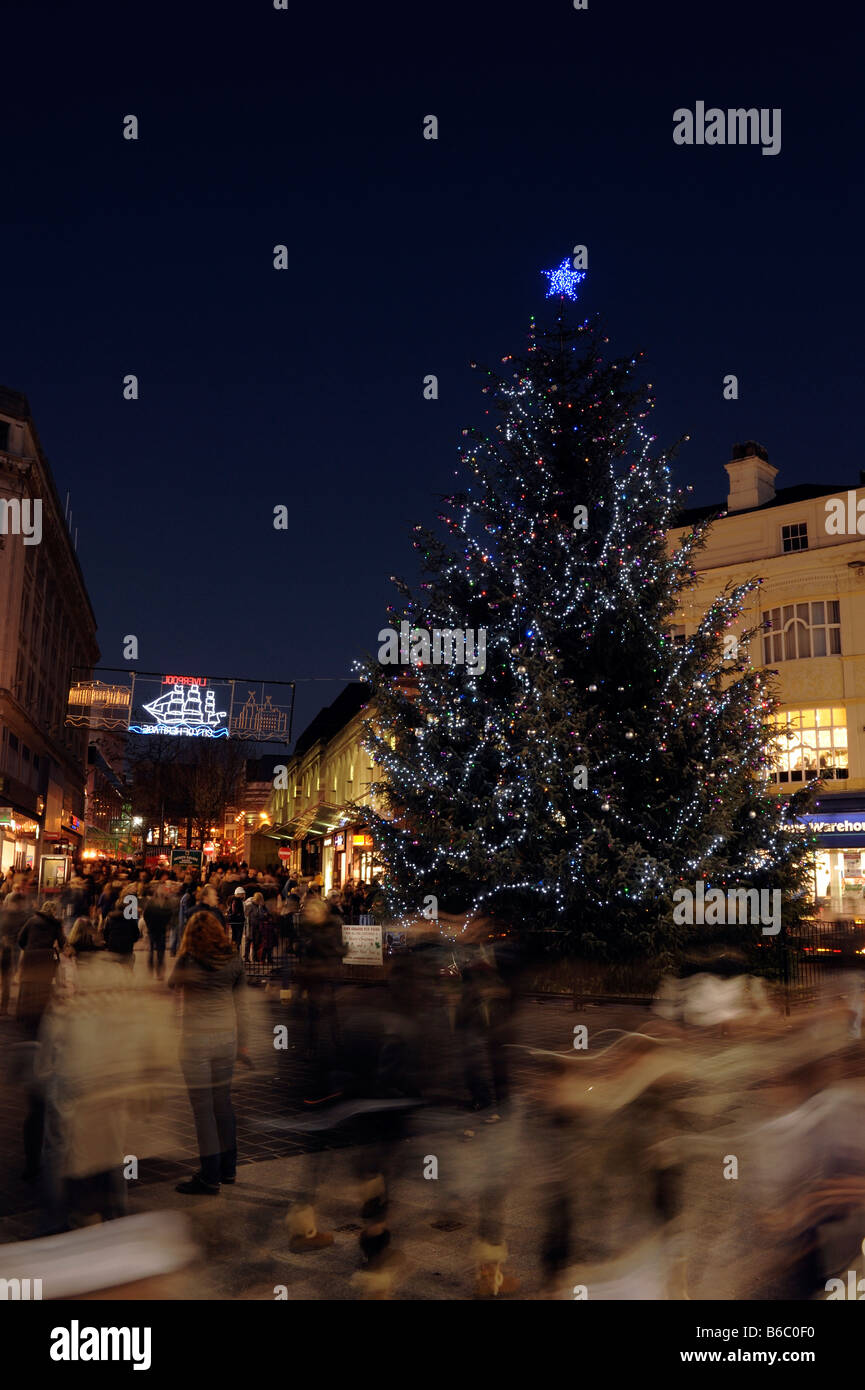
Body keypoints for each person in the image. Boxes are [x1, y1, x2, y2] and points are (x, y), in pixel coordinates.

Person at [169, 911, 250, 1194]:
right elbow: (242, 1004)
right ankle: (229, 1169)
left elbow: (171, 984)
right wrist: (244, 1042)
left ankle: (209, 1175)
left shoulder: (189, 959)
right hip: (226, 1038)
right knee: (222, 1103)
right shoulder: (234, 959)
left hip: (196, 1040)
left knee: (203, 1110)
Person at [0, 889, 29, 1016]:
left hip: (12, 951)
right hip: (6, 949)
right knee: (5, 979)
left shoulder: (23, 916)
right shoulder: (4, 913)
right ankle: (3, 1007)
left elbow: (23, 936)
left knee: (6, 979)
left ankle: (3, 1007)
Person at [142, 888, 173, 979]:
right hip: (152, 928)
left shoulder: (167, 903)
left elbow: (169, 914)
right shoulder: (151, 902)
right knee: (151, 950)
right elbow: (146, 915)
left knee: (161, 951)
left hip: (161, 929)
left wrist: (166, 924)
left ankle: (159, 971)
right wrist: (149, 924)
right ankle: (151, 968)